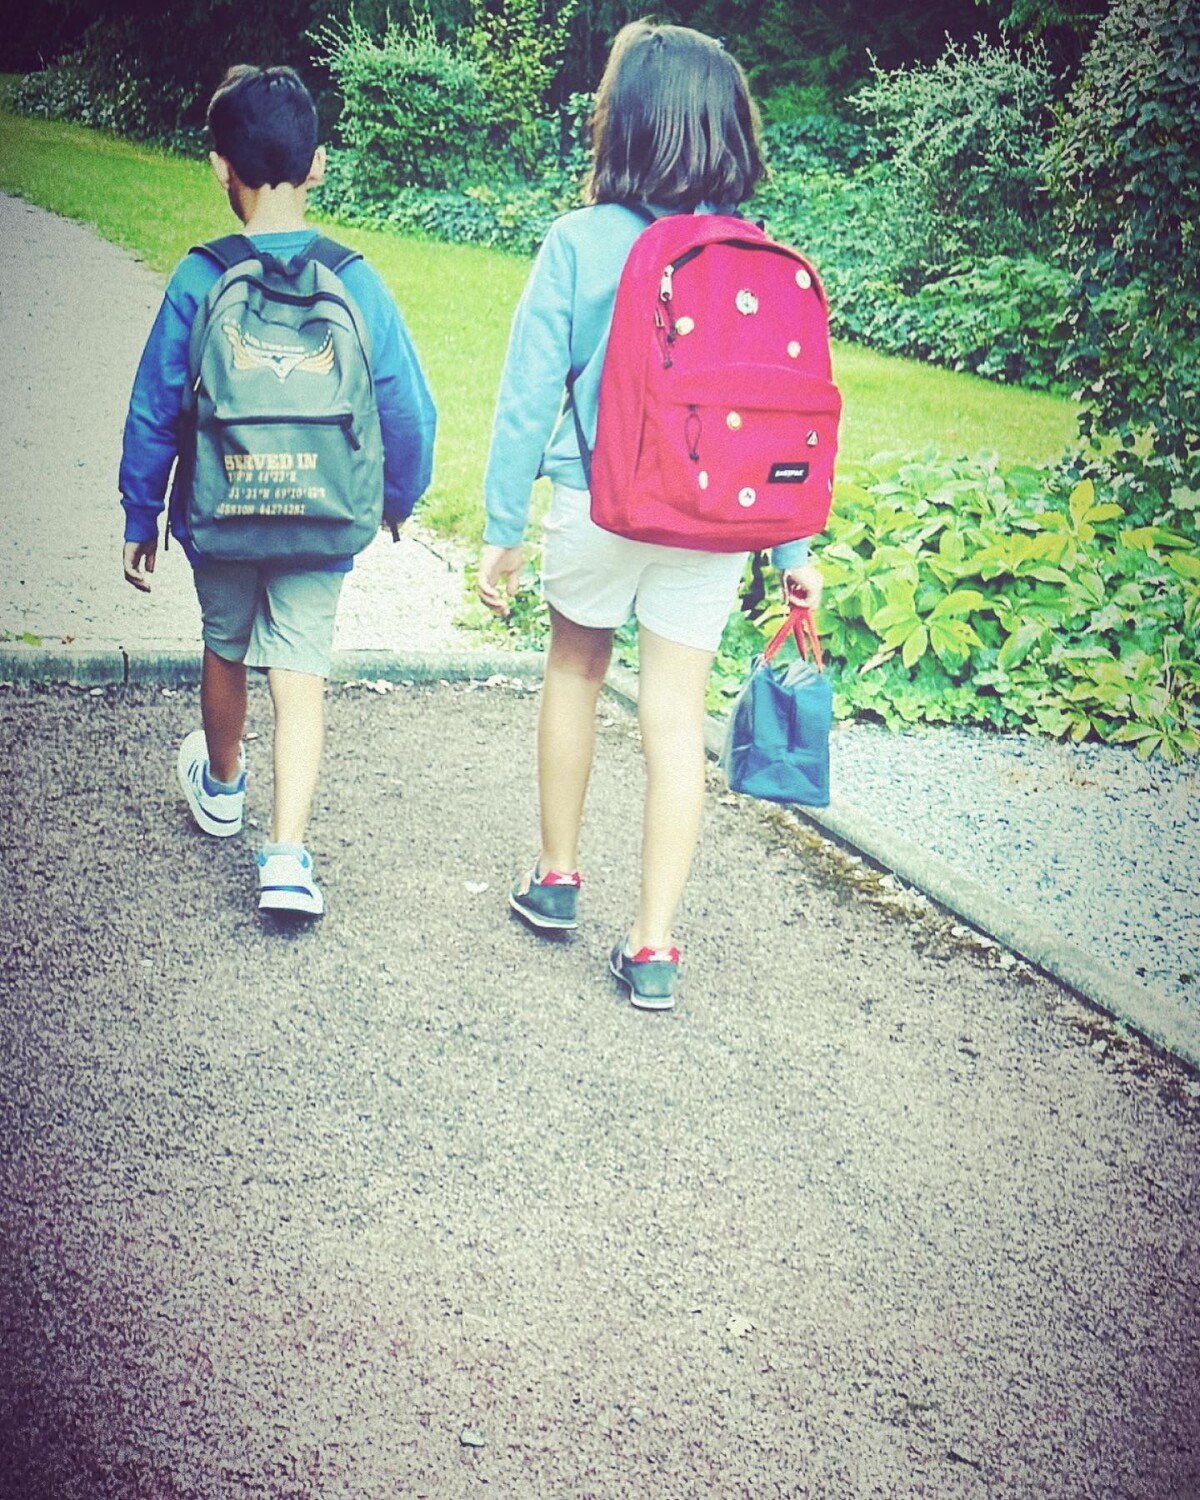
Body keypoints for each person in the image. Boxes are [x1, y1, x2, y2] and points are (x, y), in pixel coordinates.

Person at [477, 21, 824, 1011]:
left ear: (618, 124)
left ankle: (556, 879)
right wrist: (795, 550)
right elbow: (779, 420)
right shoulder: (756, 258)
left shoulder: (579, 244)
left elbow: (526, 393)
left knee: (576, 670)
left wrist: (503, 529)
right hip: (713, 523)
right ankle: (654, 946)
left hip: (596, 505)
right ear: (730, 131)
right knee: (676, 714)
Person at [120, 64, 435, 917]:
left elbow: (155, 404)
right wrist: (396, 497)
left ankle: (222, 787)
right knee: (301, 670)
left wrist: (140, 511)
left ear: (222, 170)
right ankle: (287, 857)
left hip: (222, 510)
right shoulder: (355, 277)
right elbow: (407, 403)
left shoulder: (200, 276)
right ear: (319, 164)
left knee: (224, 644)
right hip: (324, 513)